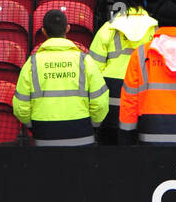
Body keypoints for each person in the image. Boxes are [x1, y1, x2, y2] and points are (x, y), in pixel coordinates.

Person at [12, 9, 109, 147]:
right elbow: (100, 102)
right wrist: (92, 124)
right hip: (82, 135)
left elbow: (20, 107)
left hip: (44, 136)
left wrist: (33, 126)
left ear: (44, 31)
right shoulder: (85, 60)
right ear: (68, 28)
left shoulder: (32, 63)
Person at [88, 0, 157, 144]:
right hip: (144, 89)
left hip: (112, 91)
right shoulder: (155, 29)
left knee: (109, 145)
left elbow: (93, 68)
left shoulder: (108, 29)